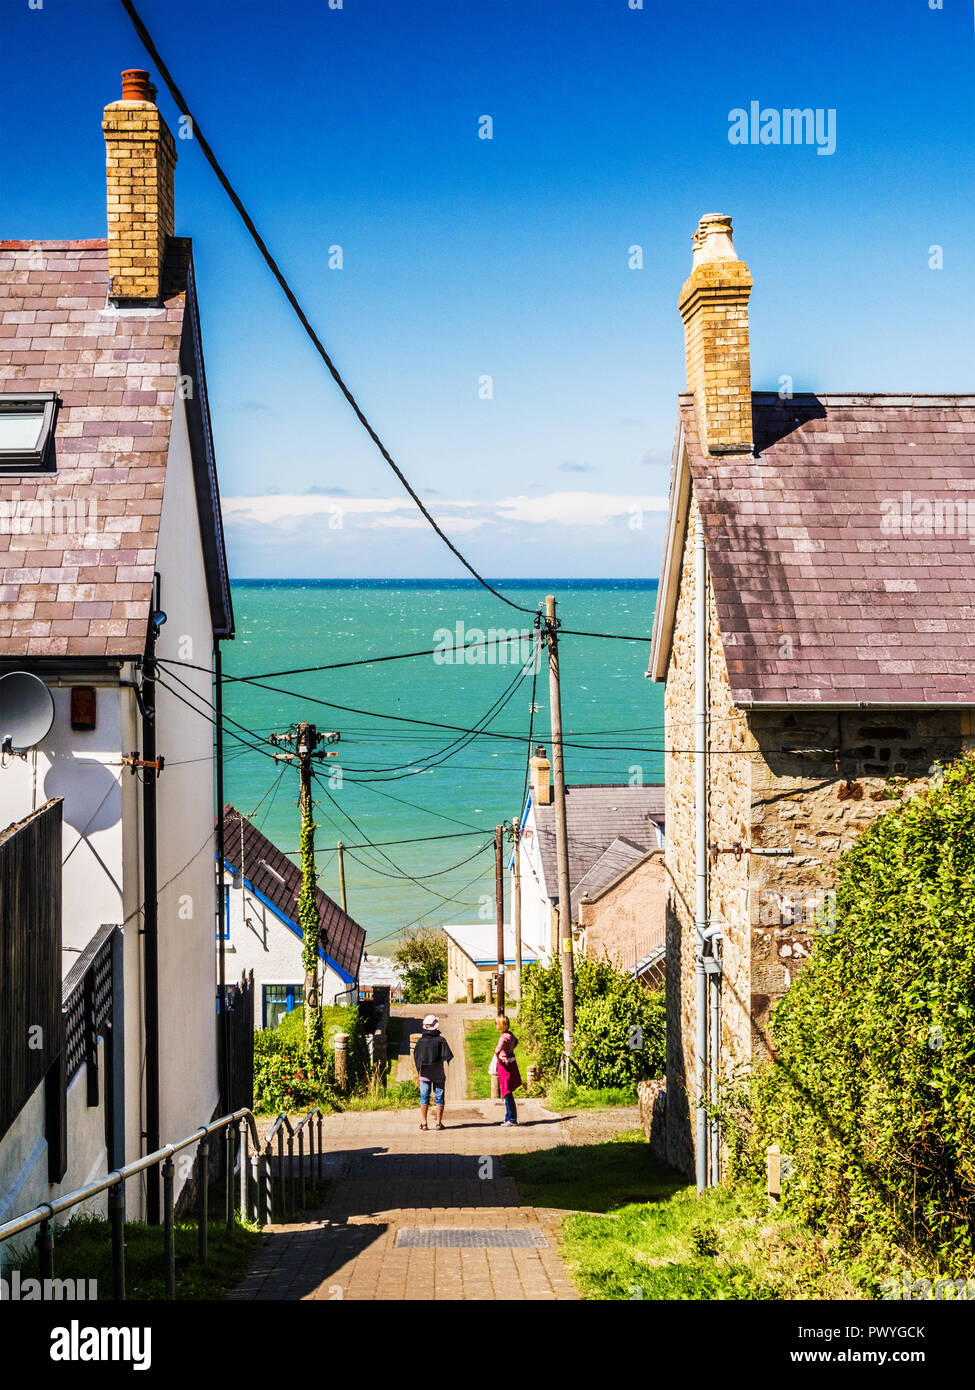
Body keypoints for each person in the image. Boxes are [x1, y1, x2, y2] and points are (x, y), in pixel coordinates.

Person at [414, 1014, 453, 1130]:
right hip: (438, 1074)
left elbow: (416, 1056)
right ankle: (439, 1123)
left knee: (424, 1098)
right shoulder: (441, 1041)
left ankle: (424, 1123)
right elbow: (447, 1055)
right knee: (439, 1098)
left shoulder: (421, 1041)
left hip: (425, 1074)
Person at [493, 1014, 522, 1126]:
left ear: (501, 1025)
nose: (496, 1025)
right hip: (511, 1062)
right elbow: (516, 1041)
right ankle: (508, 1117)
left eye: (497, 1023)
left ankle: (511, 1118)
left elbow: (497, 1050)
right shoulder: (511, 1035)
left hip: (504, 1065)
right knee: (508, 1090)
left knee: (506, 1091)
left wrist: (499, 1057)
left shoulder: (503, 1038)